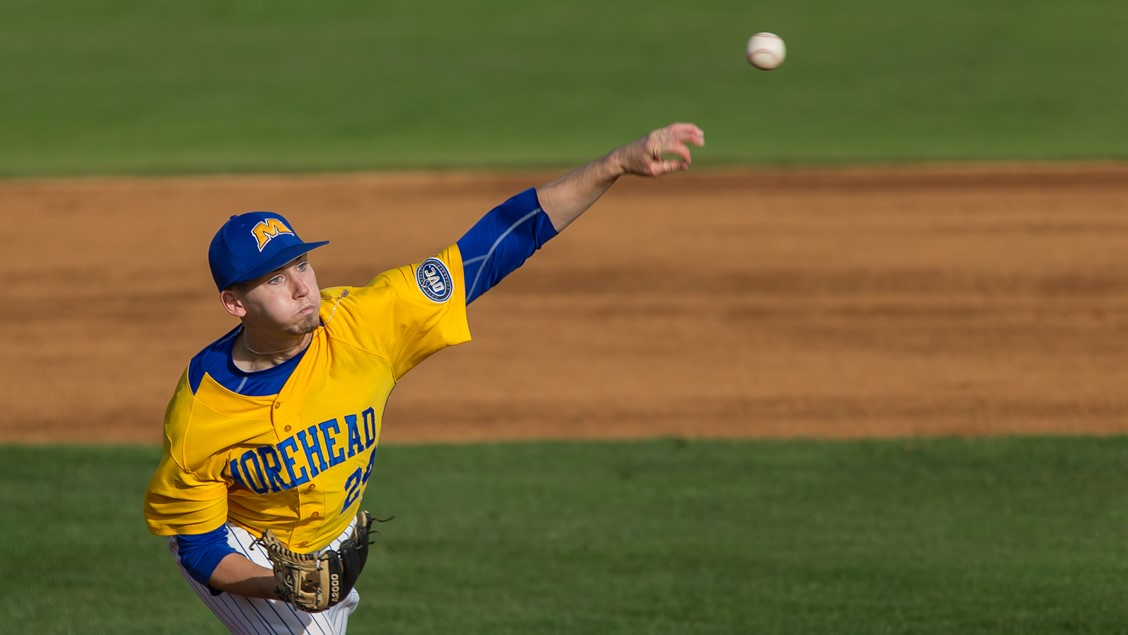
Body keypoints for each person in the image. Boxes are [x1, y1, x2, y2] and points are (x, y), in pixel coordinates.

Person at [143, 122, 705, 634]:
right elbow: (197, 547)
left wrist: (612, 165)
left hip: (329, 536)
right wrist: (282, 584)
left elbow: (492, 246)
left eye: (302, 266)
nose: (301, 288)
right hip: (245, 548)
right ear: (233, 303)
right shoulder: (200, 414)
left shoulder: (366, 323)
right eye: (274, 279)